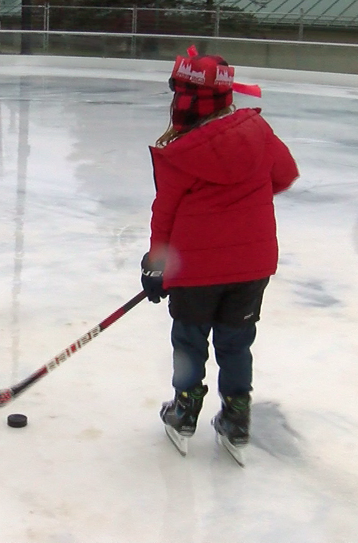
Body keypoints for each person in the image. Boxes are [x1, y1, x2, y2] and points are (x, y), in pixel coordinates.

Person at [141, 46, 299, 454]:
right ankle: (236, 416)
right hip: (252, 267)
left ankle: (186, 409)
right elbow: (284, 174)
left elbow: (166, 215)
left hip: (195, 271)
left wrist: (156, 264)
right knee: (236, 342)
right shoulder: (258, 131)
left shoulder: (181, 153)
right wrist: (246, 199)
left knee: (189, 341)